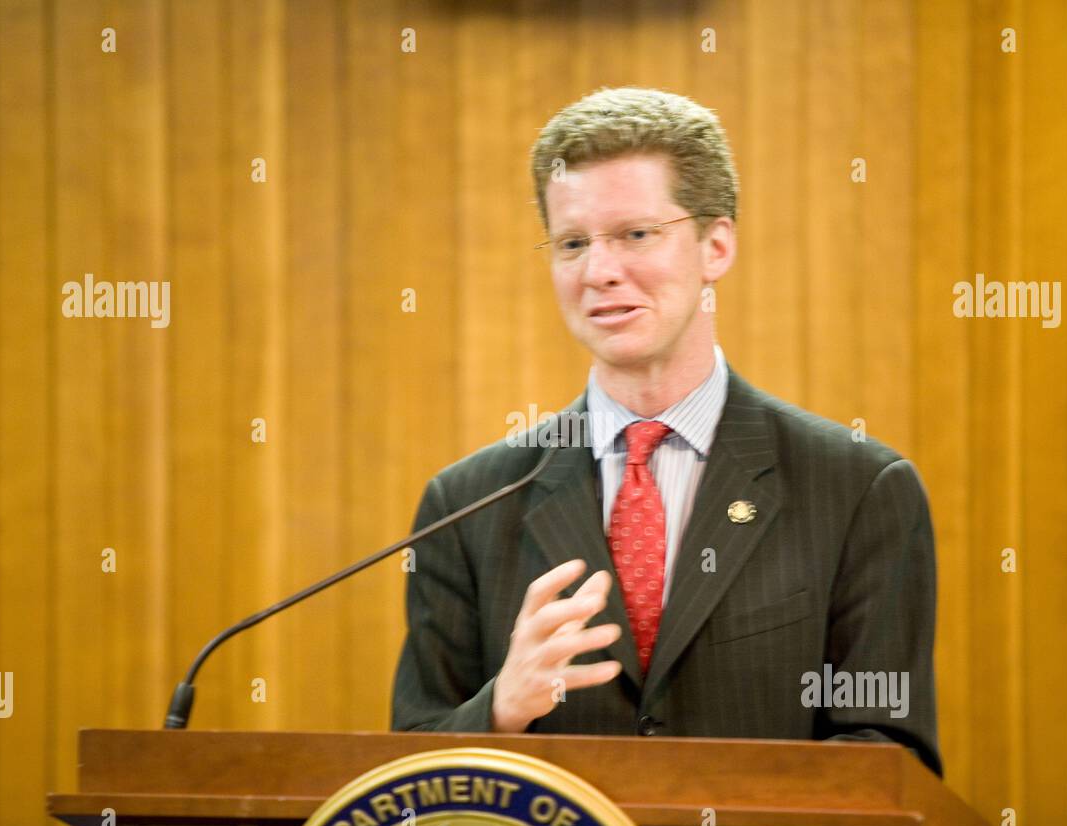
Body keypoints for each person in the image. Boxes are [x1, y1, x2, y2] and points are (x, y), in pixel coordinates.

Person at [390, 87, 941, 777]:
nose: (599, 271)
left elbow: (889, 757)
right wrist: (501, 709)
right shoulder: (468, 504)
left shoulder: (858, 490)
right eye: (572, 243)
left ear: (716, 245)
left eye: (636, 234)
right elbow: (408, 770)